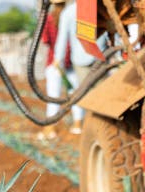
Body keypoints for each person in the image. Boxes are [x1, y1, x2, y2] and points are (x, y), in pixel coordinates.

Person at [53, 1, 109, 134]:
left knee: (87, 96)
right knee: (101, 94)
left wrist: (58, 59)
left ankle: (96, 128)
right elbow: (109, 30)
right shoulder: (98, 6)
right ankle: (102, 127)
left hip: (82, 59)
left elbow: (62, 38)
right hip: (99, 57)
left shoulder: (68, 12)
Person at [38, 0, 69, 140]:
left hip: (54, 61)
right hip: (70, 61)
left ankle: (50, 129)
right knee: (75, 95)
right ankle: (78, 125)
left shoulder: (49, 19)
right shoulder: (70, 15)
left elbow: (45, 39)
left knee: (53, 96)